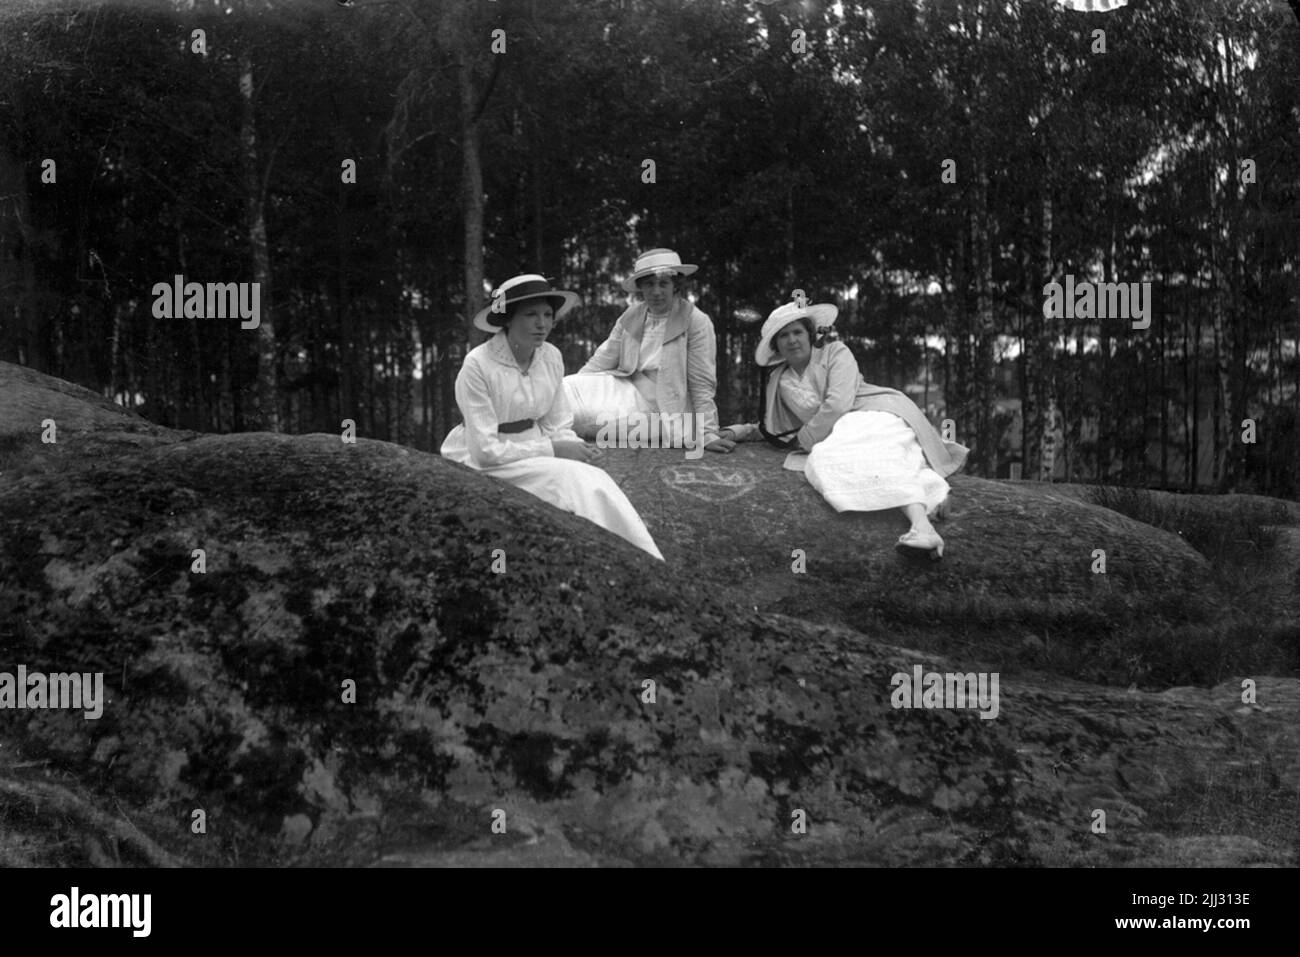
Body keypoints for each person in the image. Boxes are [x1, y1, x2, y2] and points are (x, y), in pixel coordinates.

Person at [440, 273, 665, 560]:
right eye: (531, 315)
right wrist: (553, 449)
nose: (542, 324)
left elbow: (557, 423)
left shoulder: (550, 356)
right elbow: (484, 452)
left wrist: (574, 449)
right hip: (485, 458)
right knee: (575, 481)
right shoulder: (478, 365)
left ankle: (645, 561)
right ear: (507, 319)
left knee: (592, 475)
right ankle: (634, 560)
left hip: (532, 449)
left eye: (548, 314)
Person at [721, 300, 967, 558]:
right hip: (841, 434)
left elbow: (838, 404)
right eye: (783, 336)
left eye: (798, 332)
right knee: (836, 457)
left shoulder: (835, 352)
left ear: (810, 334)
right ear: (776, 346)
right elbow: (776, 428)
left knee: (853, 452)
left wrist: (806, 438)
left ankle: (921, 526)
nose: (792, 340)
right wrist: (736, 432)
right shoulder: (779, 381)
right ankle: (930, 499)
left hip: (874, 412)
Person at [563, 248, 735, 453]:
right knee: (565, 389)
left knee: (584, 418)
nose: (656, 292)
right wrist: (582, 386)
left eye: (663, 283)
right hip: (626, 385)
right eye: (649, 284)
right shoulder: (632, 315)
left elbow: (702, 382)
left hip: (665, 403)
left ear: (675, 285)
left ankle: (568, 435)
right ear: (640, 287)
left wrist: (707, 432)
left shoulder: (695, 321)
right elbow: (603, 359)